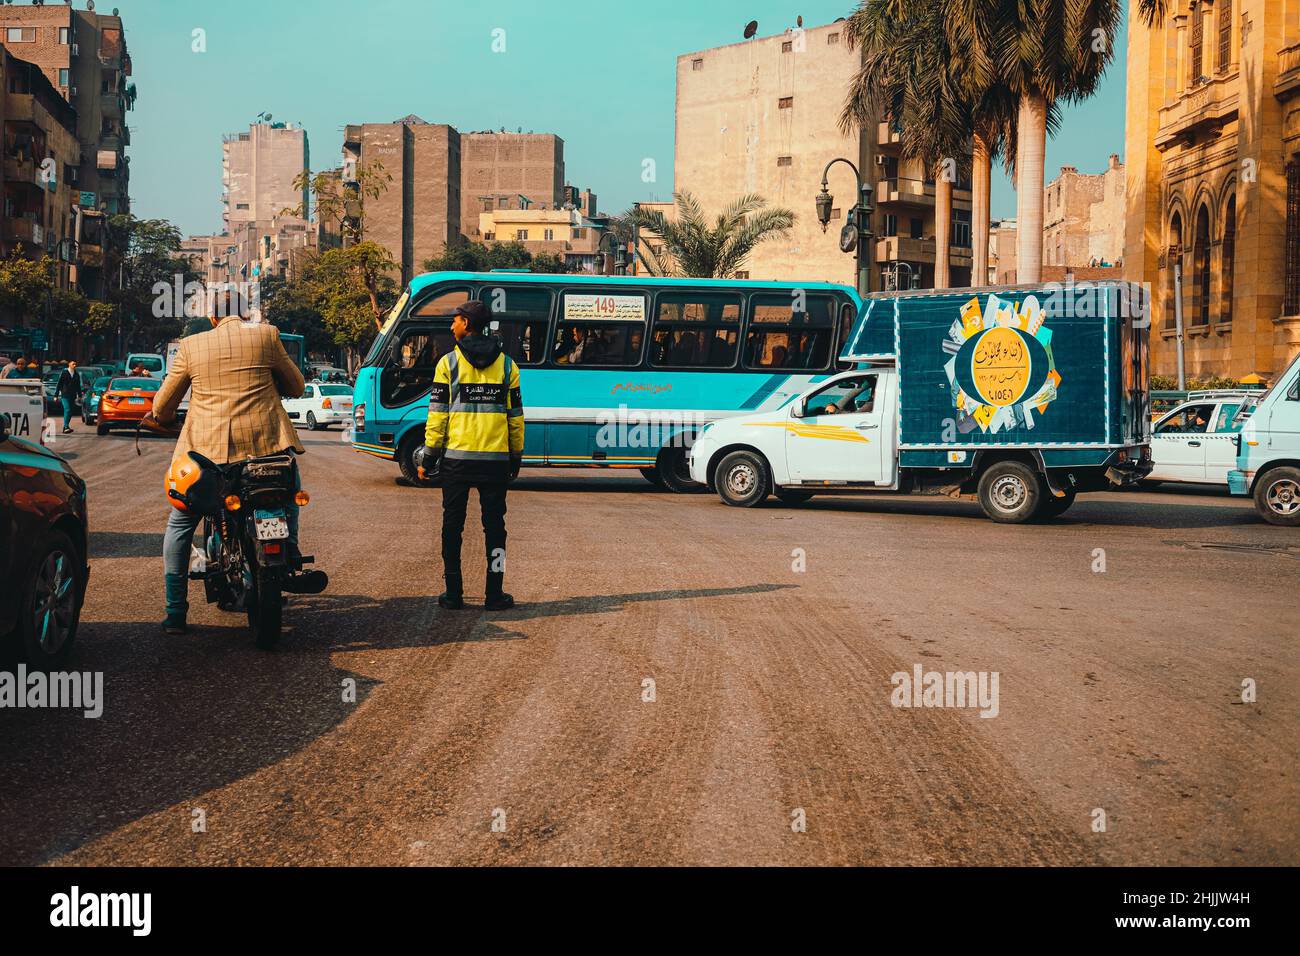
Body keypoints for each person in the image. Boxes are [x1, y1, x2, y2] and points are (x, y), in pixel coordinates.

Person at [145, 289, 320, 634]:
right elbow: (298, 387)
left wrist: (162, 418)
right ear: (246, 313)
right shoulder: (267, 336)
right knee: (288, 496)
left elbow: (163, 407)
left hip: (209, 458)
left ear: (212, 317)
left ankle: (176, 611)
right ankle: (287, 555)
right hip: (267, 449)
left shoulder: (193, 347)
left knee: (180, 523)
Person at [416, 300, 524, 611]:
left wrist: (428, 457)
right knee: (495, 528)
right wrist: (514, 456)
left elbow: (437, 416)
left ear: (467, 323)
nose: (452, 326)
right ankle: (495, 593)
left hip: (457, 461)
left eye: (456, 320)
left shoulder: (447, 364)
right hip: (495, 461)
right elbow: (515, 416)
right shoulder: (507, 366)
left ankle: (454, 593)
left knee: (452, 526)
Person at [55, 361, 82, 433]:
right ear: (69, 365)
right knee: (67, 409)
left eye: (75, 364)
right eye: (73, 364)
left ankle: (66, 426)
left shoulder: (76, 374)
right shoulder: (64, 373)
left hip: (72, 395)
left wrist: (79, 396)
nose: (74, 365)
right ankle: (66, 426)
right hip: (65, 394)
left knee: (70, 412)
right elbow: (59, 384)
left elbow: (78, 386)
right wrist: (56, 395)